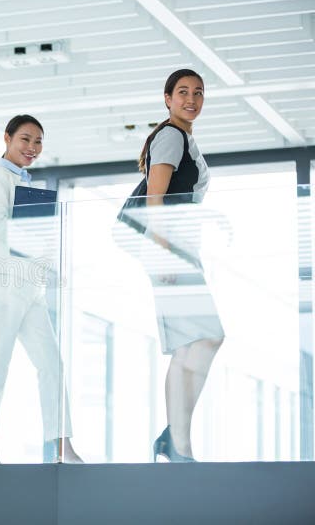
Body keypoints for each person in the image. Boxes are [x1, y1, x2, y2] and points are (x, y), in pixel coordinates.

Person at [122, 69, 225, 462]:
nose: (191, 99)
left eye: (199, 93)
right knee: (206, 337)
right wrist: (162, 252)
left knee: (192, 343)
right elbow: (154, 198)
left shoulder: (186, 139)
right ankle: (177, 439)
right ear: (167, 98)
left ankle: (176, 439)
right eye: (183, 92)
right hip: (167, 249)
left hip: (180, 248)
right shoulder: (170, 136)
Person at [0, 115, 82, 464]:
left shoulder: (28, 181)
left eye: (38, 142)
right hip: (5, 283)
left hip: (30, 287)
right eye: (25, 139)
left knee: (52, 365)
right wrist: (32, 240)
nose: (32, 148)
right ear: (7, 138)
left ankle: (62, 445)